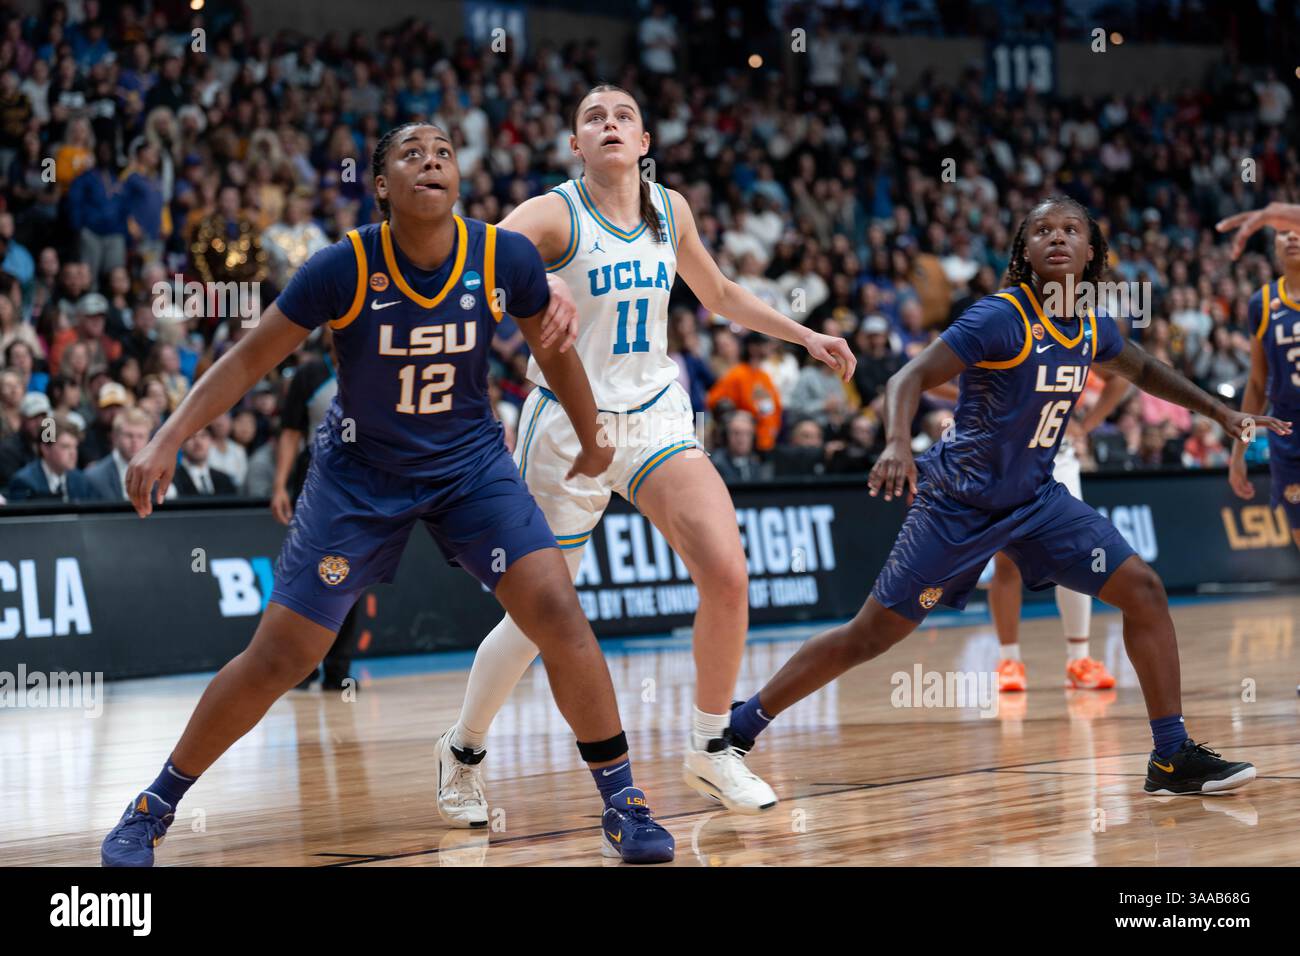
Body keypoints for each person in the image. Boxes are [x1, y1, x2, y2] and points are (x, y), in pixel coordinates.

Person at [100, 123, 675, 867]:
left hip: (469, 464)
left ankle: (623, 801)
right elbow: (248, 360)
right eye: (411, 154)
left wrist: (594, 432)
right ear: (380, 186)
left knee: (556, 608)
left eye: (443, 152)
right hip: (360, 473)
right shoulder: (341, 267)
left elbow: (552, 345)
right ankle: (153, 804)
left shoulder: (504, 256)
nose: (431, 160)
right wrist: (168, 436)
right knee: (282, 655)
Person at [729, 197, 1285, 797]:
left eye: (1071, 230)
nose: (1057, 238)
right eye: (1041, 230)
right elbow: (906, 377)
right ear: (1024, 251)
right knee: (870, 636)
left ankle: (1172, 755)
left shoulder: (1094, 325)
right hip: (956, 504)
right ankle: (740, 724)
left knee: (1144, 591)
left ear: (1091, 252)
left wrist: (1219, 412)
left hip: (1036, 500)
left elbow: (1144, 370)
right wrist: (894, 443)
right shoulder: (998, 317)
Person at [436, 84, 855, 826]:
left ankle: (710, 746)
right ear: (574, 145)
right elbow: (474, 266)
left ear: (644, 138)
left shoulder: (671, 208)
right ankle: (463, 752)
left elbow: (720, 294)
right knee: (541, 615)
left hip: (655, 415)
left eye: (622, 115)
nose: (608, 124)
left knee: (726, 571)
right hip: (567, 424)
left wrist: (806, 335)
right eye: (592, 118)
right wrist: (509, 300)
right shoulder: (552, 214)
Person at [5, 414, 96, 502]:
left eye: (75, 447)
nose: (73, 453)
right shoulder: (24, 482)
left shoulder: (81, 481)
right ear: (45, 448)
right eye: (65, 447)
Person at [84, 407, 151, 501]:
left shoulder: (157, 474)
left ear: (148, 440)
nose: (135, 441)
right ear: (115, 437)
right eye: (129, 435)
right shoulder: (94, 477)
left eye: (140, 436)